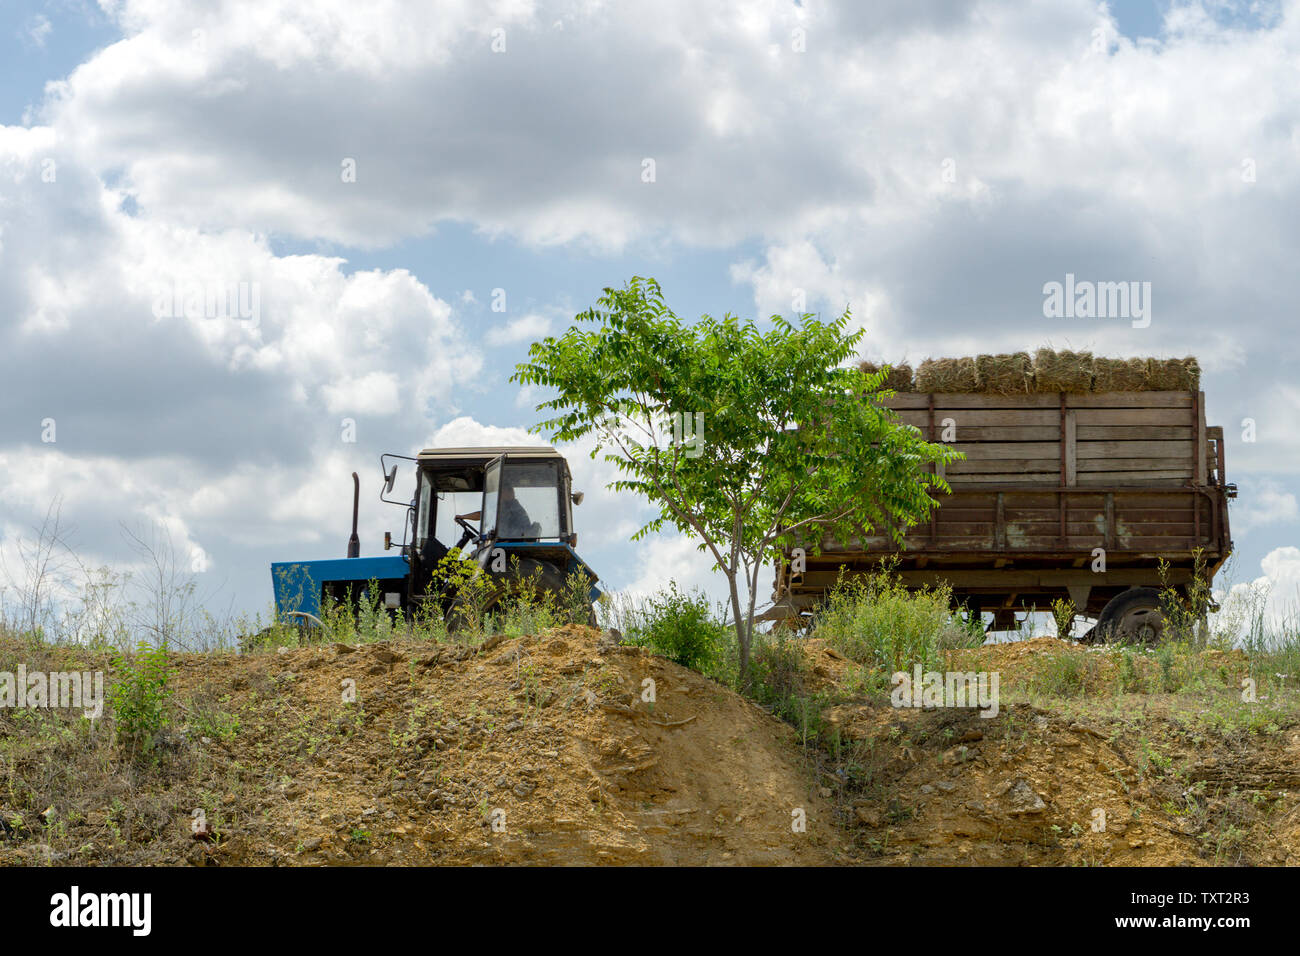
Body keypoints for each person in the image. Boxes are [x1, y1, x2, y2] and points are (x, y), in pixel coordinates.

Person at [456, 484, 535, 538]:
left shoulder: (511, 508)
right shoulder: (512, 506)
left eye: (501, 492)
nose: (499, 496)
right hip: (510, 540)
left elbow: (483, 515)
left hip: (510, 543)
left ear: (510, 492)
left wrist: (463, 517)